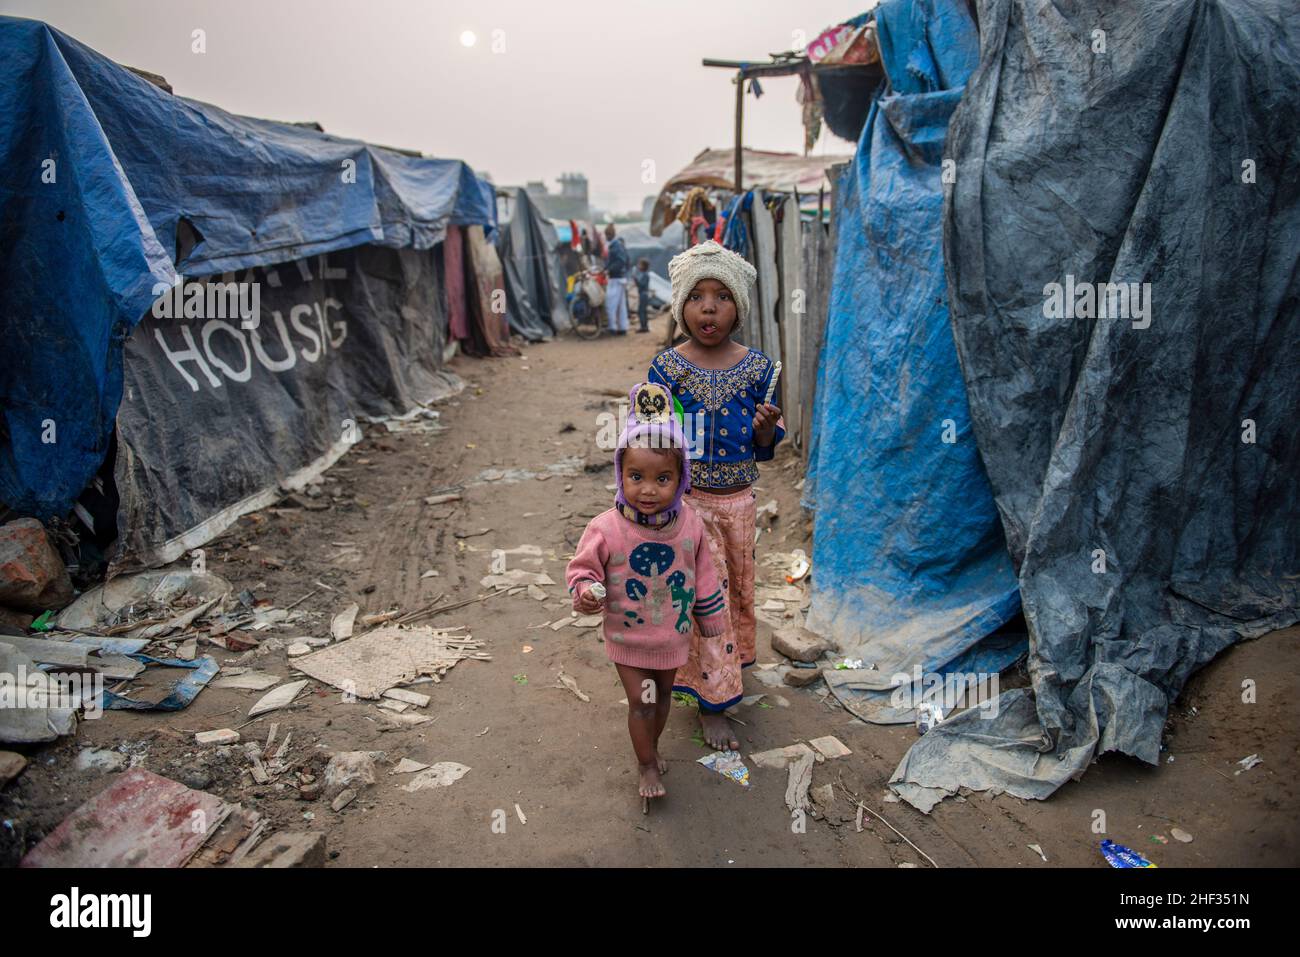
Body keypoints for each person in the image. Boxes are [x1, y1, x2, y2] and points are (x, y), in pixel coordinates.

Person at [647, 241, 784, 751]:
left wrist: (764, 430)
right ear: (681, 305)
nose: (709, 307)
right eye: (698, 296)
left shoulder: (759, 371)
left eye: (723, 296)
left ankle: (724, 678)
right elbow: (651, 446)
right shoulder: (666, 370)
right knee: (703, 601)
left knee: (734, 596)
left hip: (738, 507)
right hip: (687, 509)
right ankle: (711, 702)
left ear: (739, 308)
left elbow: (765, 448)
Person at [566, 382, 728, 802]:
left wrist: (710, 618)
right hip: (628, 636)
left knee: (661, 701)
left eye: (663, 478)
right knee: (640, 701)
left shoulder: (690, 524)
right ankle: (646, 763)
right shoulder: (606, 528)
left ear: (682, 479)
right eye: (636, 477)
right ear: (621, 474)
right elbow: (581, 570)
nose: (649, 490)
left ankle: (651, 748)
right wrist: (586, 592)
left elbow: (704, 571)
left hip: (673, 636)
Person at [603, 223, 630, 335]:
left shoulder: (615, 246)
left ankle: (612, 328)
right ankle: (622, 328)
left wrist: (609, 270)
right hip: (620, 278)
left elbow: (620, 261)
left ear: (609, 234)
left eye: (606, 235)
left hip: (616, 278)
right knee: (620, 306)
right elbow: (624, 260)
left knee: (610, 304)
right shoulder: (617, 245)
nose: (605, 237)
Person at [632, 257, 653, 333]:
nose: (638, 266)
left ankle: (644, 327)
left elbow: (641, 285)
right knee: (643, 311)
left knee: (641, 311)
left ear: (643, 266)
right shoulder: (644, 274)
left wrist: (635, 279)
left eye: (639, 265)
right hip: (643, 294)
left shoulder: (645, 275)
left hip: (643, 295)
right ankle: (644, 326)